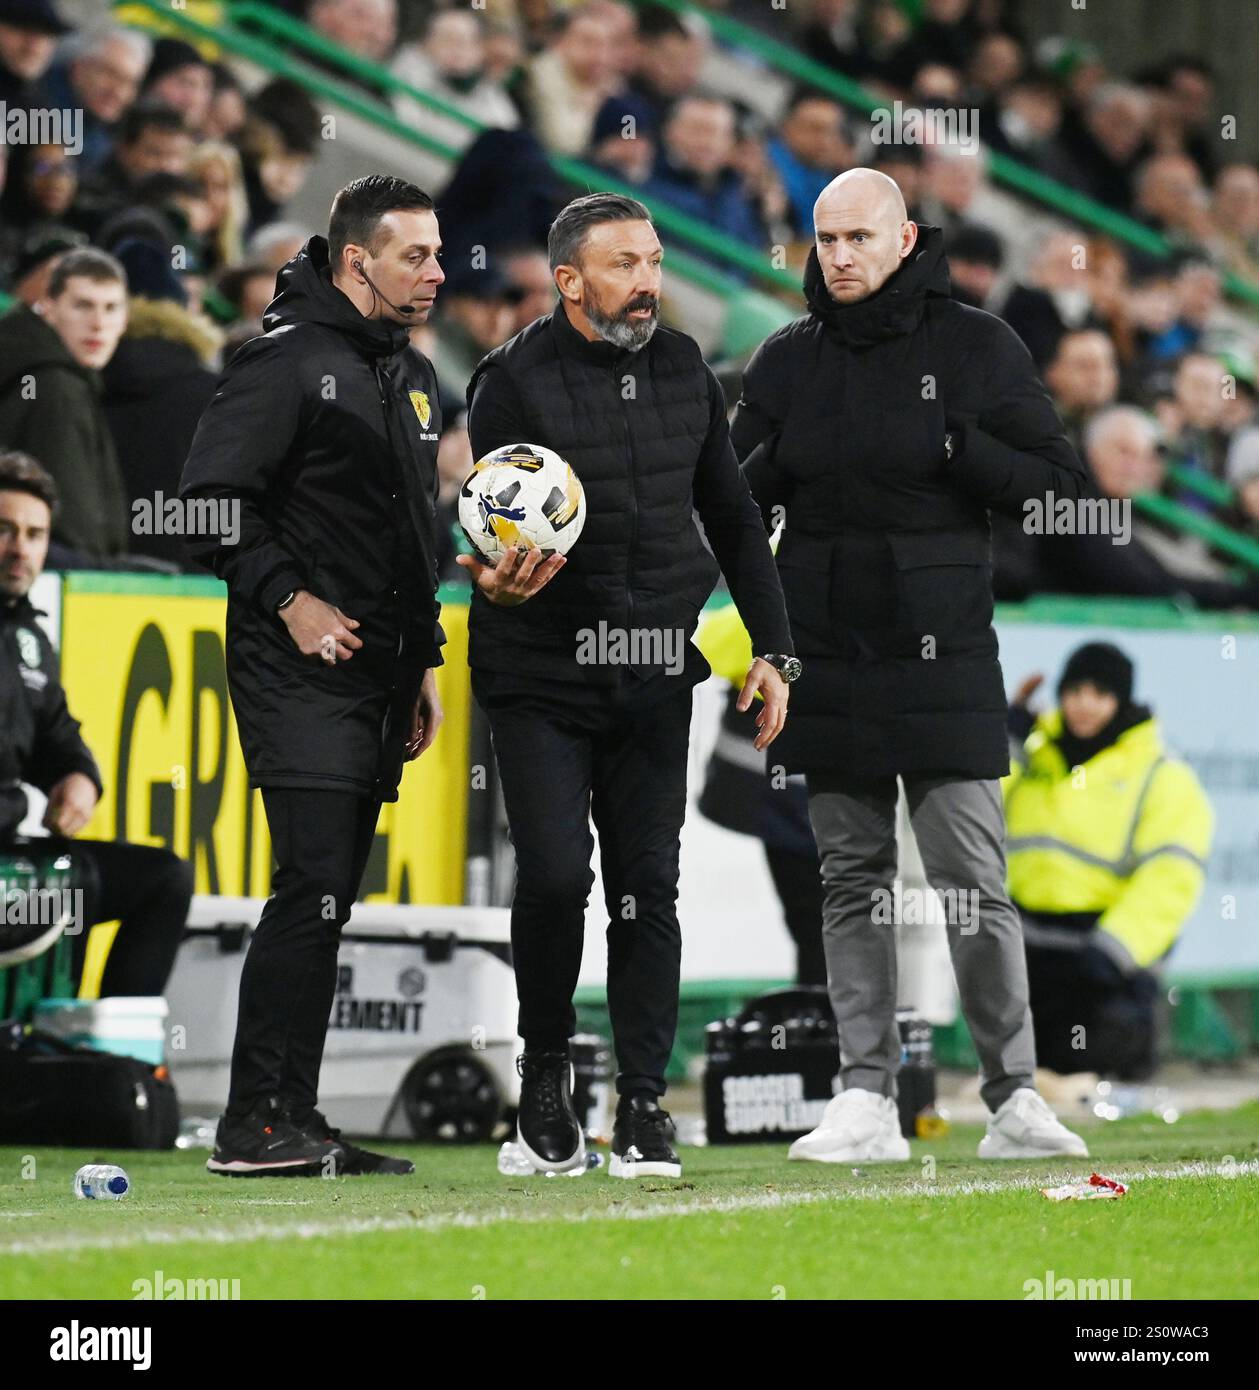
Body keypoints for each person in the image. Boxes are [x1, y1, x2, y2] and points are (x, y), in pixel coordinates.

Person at [731, 167, 1090, 1163]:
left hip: (944, 657)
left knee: (971, 880)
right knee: (846, 880)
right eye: (823, 239)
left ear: (901, 241)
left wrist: (957, 446)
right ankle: (864, 1101)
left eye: (856, 238)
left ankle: (1013, 1097)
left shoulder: (978, 346)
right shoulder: (785, 360)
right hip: (826, 657)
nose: (837, 256)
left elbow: (1058, 490)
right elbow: (728, 501)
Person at [463, 192, 795, 1180]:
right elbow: (484, 514)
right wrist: (482, 569)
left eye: (652, 260)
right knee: (559, 875)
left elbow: (733, 516)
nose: (647, 280)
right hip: (539, 673)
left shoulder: (687, 367)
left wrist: (772, 649)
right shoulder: (509, 380)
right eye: (623, 264)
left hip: (654, 669)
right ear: (568, 280)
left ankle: (645, 1104)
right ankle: (544, 1081)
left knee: (648, 889)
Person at [179, 175, 448, 1178]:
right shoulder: (283, 362)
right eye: (413, 254)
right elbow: (204, 502)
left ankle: (292, 1112)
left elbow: (416, 537)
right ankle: (250, 1121)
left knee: (329, 893)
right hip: (293, 663)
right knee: (311, 885)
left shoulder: (411, 376)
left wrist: (421, 659)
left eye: (437, 251)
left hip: (377, 674)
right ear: (353, 262)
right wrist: (289, 597)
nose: (435, 271)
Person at [0, 450, 192, 994]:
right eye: (6, 530)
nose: (21, 549)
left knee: (161, 879)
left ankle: (107, 1055)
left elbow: (57, 735)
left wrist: (78, 778)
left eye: (35, 535)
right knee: (65, 892)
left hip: (17, 863)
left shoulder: (28, 638)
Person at [1004, 644, 1212, 1080]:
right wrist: (1005, 742)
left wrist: (1115, 948)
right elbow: (975, 813)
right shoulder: (1033, 754)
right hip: (1031, 959)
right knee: (1029, 1093)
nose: (1084, 704)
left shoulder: (1160, 773)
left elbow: (1171, 874)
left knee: (1099, 1086)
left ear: (1122, 701)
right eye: (1075, 690)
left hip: (1104, 964)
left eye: (1100, 692)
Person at [0, 248, 131, 564]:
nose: (98, 324)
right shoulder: (56, 388)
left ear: (125, 319)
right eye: (83, 306)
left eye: (111, 308)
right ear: (48, 309)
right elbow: (76, 528)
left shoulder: (54, 375)